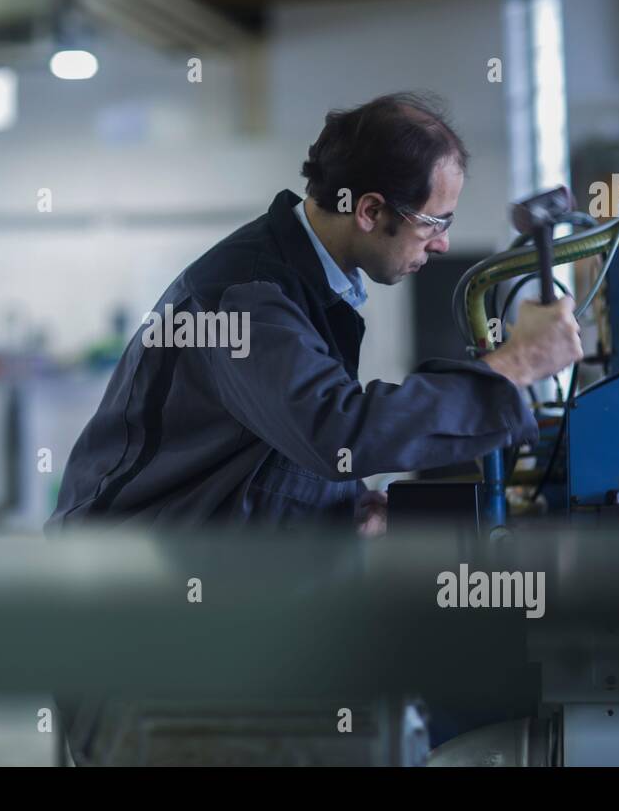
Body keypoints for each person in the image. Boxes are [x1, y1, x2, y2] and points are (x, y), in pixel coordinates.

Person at [46, 92, 582, 536]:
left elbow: (279, 438)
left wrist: (342, 503)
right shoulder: (246, 297)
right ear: (370, 211)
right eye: (434, 223)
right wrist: (518, 363)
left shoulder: (311, 283)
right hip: (121, 586)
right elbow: (337, 429)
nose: (441, 245)